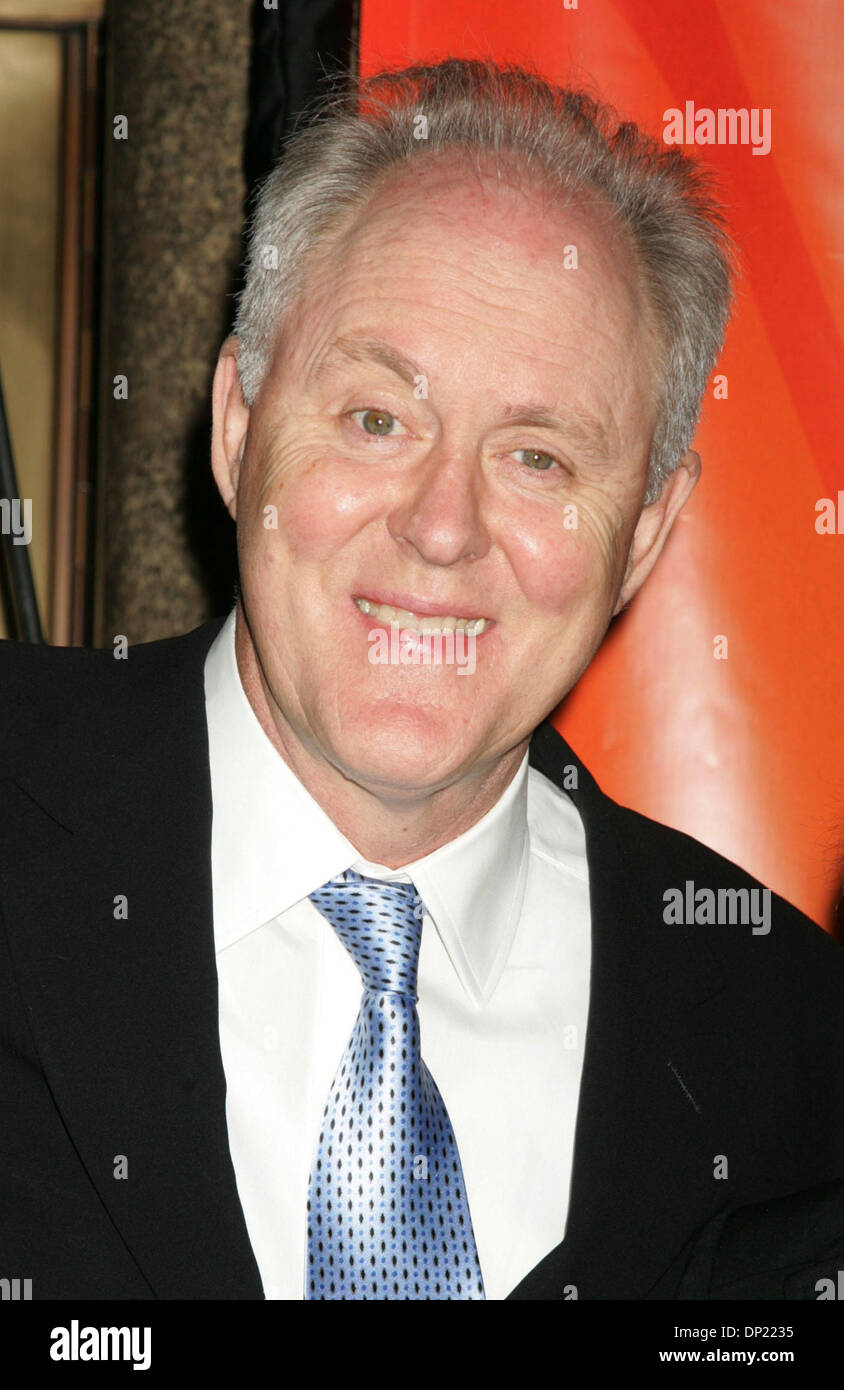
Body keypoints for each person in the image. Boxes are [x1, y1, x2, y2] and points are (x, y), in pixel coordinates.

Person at [1, 58, 843, 1301]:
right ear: (237, 425)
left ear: (648, 536)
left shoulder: (790, 1033)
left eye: (539, 455)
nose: (443, 526)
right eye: (376, 420)